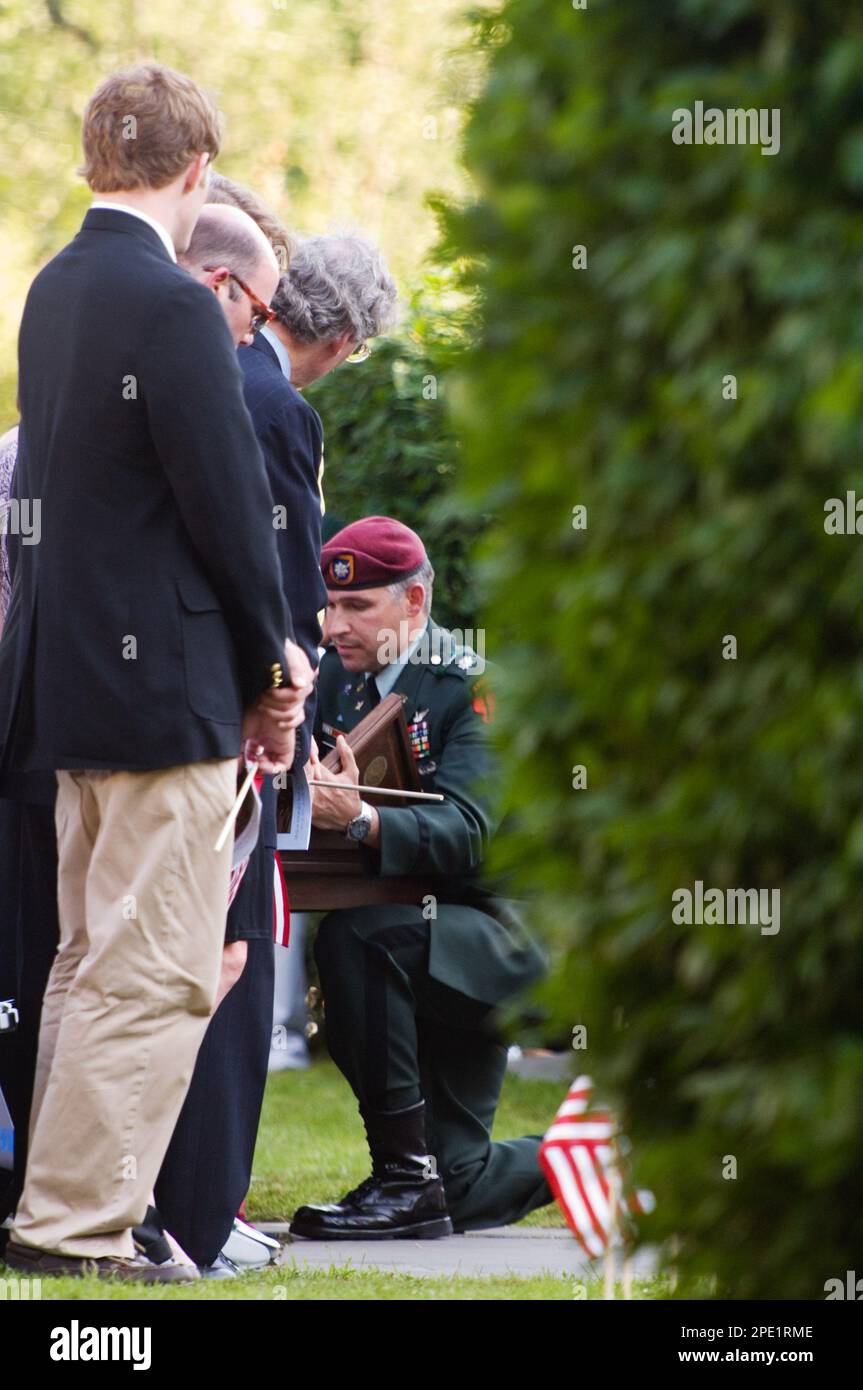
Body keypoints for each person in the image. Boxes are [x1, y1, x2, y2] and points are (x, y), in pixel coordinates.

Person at [0, 62, 313, 1283]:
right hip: (160, 696)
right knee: (156, 968)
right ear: (197, 171)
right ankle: (77, 1228)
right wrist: (275, 660)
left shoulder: (51, 290)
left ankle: (76, 1211)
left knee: (90, 962)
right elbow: (227, 509)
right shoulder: (176, 305)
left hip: (68, 688)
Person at [153, 217, 398, 1273]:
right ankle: (201, 1209)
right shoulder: (274, 405)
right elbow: (289, 584)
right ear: (342, 337)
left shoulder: (212, 378)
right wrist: (291, 713)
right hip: (243, 728)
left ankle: (196, 1204)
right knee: (235, 965)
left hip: (178, 706)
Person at [290, 517, 553, 1240]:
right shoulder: (343, 680)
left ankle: (403, 1178)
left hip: (509, 943)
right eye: (329, 605)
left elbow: (468, 833)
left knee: (357, 943)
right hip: (433, 942)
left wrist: (360, 821)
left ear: (413, 603)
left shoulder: (470, 690)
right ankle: (609, 1152)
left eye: (357, 606)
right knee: (459, 1189)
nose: (334, 624)